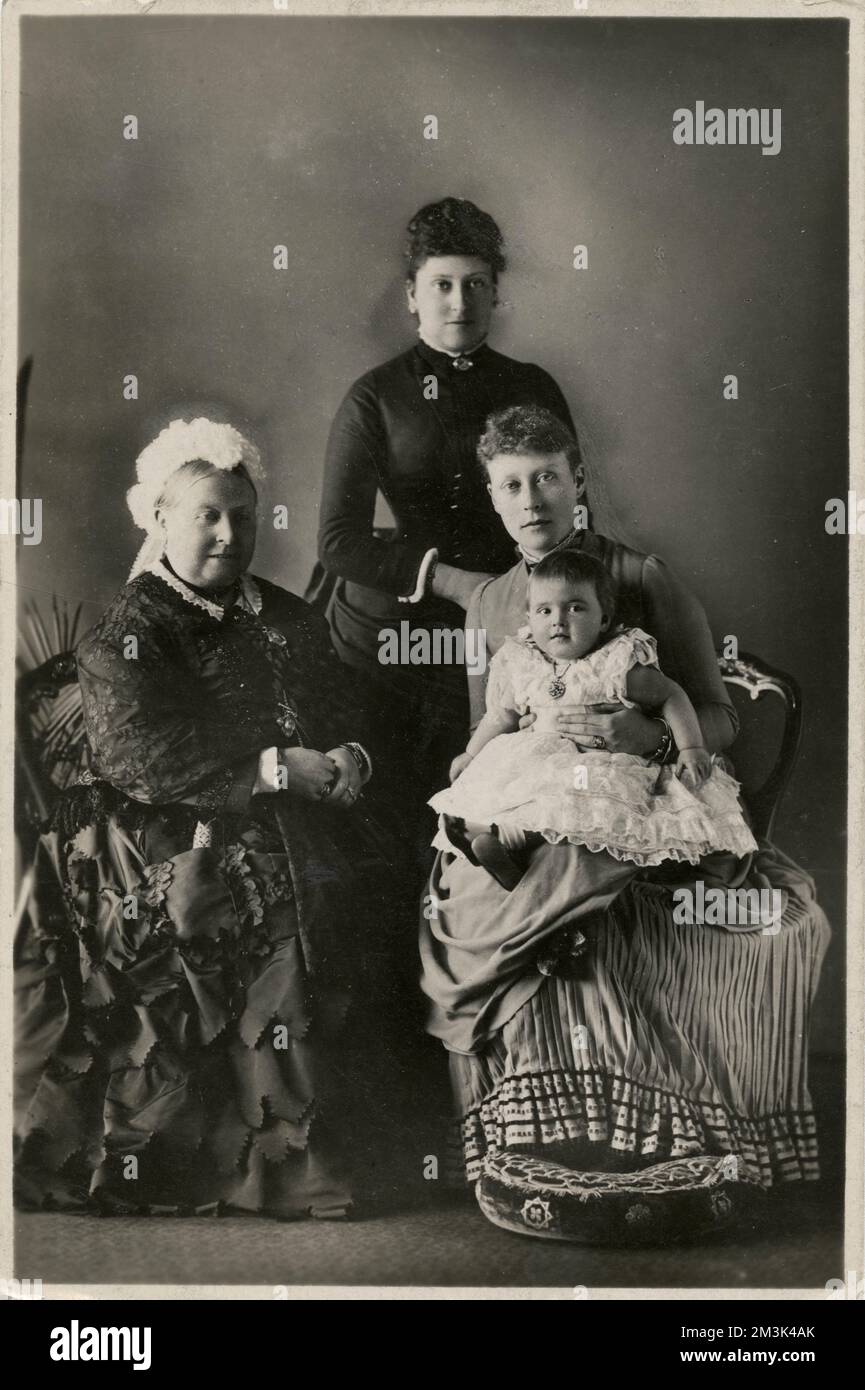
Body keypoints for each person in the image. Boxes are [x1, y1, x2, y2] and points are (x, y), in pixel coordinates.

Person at [419, 405, 830, 1227]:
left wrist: (644, 734)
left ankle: (639, 1134)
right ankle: (541, 1133)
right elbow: (490, 737)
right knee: (471, 865)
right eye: (510, 486)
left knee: (572, 869)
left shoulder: (640, 578)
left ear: (576, 480)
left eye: (545, 478)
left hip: (635, 805)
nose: (530, 499)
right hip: (529, 804)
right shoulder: (487, 606)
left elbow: (715, 718)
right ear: (493, 499)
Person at [14, 417, 383, 1219]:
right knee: (267, 896)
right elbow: (139, 757)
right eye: (207, 516)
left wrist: (351, 756)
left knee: (367, 878)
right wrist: (277, 770)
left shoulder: (286, 616)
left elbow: (339, 704)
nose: (226, 533)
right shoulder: (131, 630)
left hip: (298, 812)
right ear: (160, 520)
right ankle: (262, 1164)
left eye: (241, 517)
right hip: (163, 827)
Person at [313, 197, 576, 864]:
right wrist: (454, 582)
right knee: (398, 824)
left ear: (496, 293)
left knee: (503, 822)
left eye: (475, 285)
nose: (458, 303)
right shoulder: (373, 398)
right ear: (412, 294)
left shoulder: (530, 386)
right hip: (394, 638)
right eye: (441, 285)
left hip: (510, 623)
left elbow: (569, 506)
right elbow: (338, 539)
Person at [430, 548, 757, 895]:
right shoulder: (522, 663)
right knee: (505, 787)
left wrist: (690, 746)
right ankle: (489, 837)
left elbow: (671, 695)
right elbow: (500, 715)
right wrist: (470, 754)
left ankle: (512, 843)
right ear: (529, 618)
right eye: (545, 610)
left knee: (567, 795)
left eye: (575, 608)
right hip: (535, 759)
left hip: (592, 765)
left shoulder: (613, 664)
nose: (558, 620)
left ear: (603, 619)